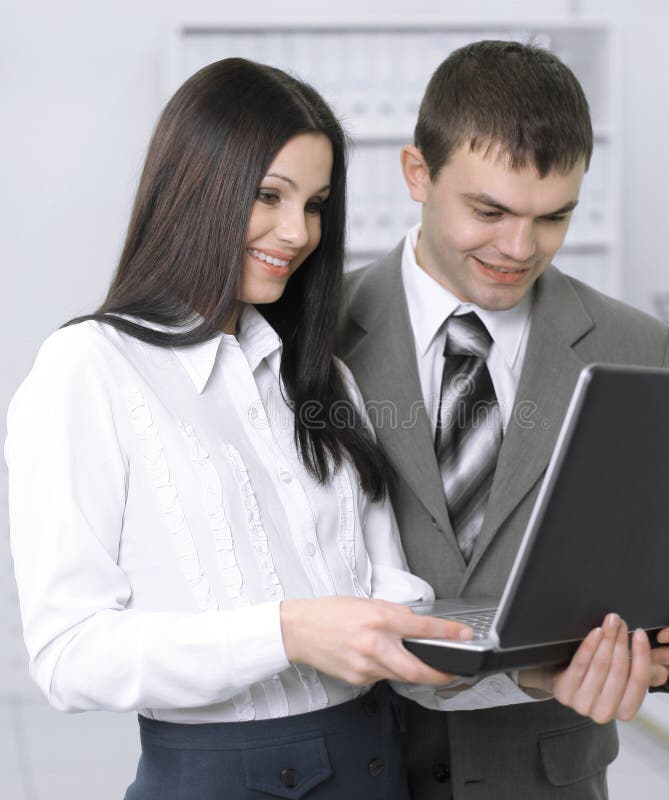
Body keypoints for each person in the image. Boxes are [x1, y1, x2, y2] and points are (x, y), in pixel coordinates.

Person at [5, 58, 485, 800]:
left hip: (380, 761)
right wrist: (286, 632)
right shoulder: (88, 370)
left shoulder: (323, 379)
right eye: (269, 196)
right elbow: (70, 655)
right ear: (195, 188)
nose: (298, 234)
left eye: (317, 204)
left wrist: (504, 657)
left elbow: (389, 595)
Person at [338, 41, 669, 799]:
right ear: (417, 173)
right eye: (489, 211)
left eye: (554, 218)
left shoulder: (635, 345)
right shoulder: (313, 337)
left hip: (546, 777)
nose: (519, 250)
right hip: (363, 763)